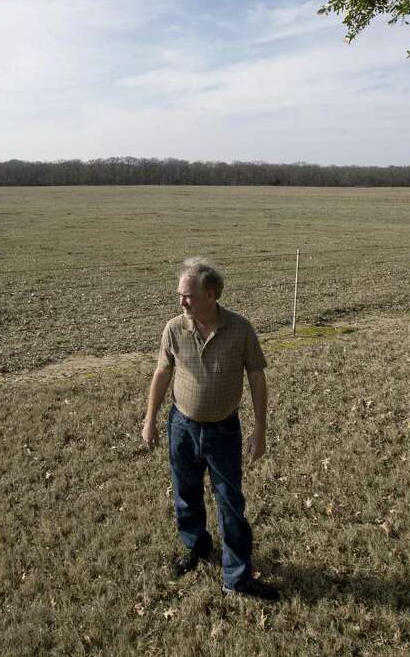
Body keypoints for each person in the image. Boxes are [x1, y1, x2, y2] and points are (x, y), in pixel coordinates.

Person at [141, 257, 280, 602]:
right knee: (186, 494)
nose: (181, 302)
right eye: (179, 295)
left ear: (211, 294)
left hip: (224, 432)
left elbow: (257, 378)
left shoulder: (240, 329)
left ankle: (237, 578)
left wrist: (260, 429)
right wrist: (150, 419)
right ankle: (196, 547)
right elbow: (162, 374)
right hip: (181, 427)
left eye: (188, 295)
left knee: (230, 503)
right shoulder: (174, 328)